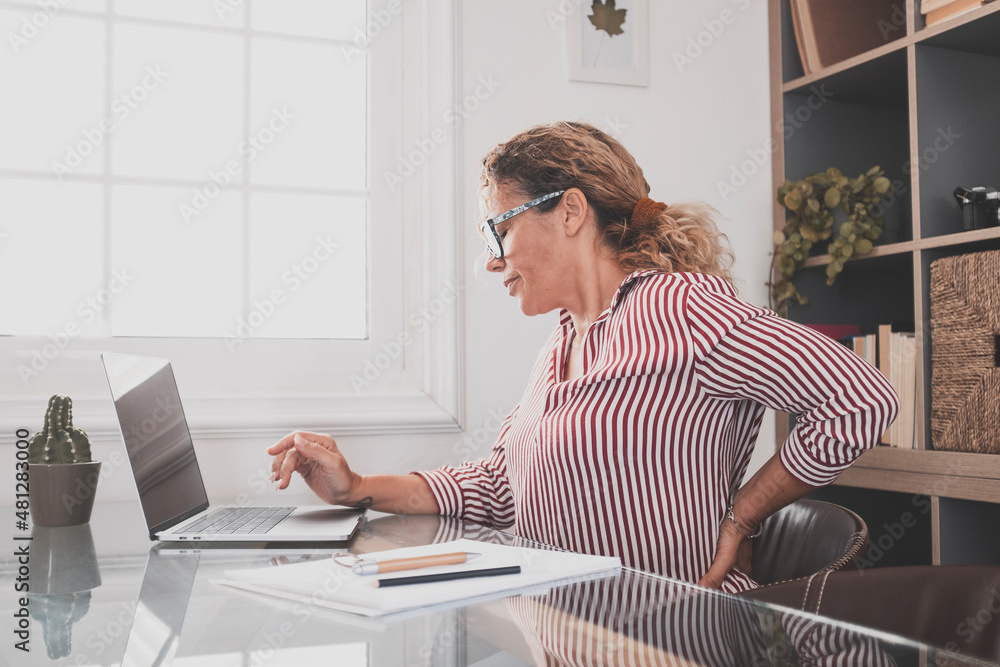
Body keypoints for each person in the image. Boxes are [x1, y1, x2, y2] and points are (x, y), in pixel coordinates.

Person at [268, 121, 898, 593]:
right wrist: (356, 487)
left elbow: (862, 401)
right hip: (576, 634)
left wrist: (740, 515)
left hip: (673, 638)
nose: (492, 260)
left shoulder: (678, 309)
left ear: (569, 211)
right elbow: (499, 486)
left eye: (499, 229)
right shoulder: (565, 341)